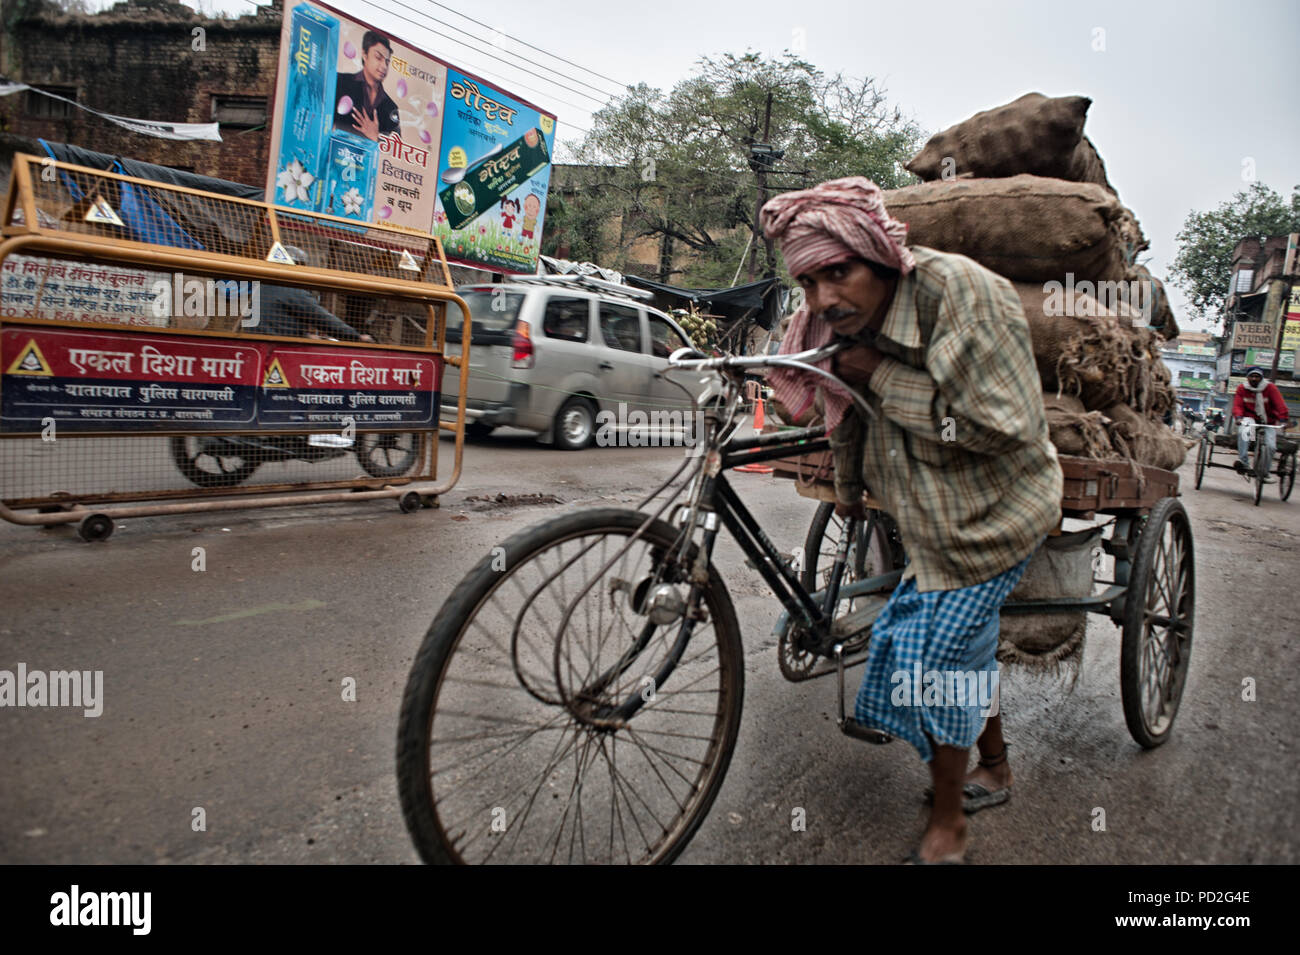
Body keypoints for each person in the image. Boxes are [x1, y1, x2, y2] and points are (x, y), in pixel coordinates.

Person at [763, 177, 1063, 864]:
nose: (823, 298)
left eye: (838, 273)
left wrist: (881, 374)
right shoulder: (830, 319)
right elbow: (842, 400)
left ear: (880, 259)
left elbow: (1002, 427)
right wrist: (845, 484)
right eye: (809, 282)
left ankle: (949, 821)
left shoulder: (962, 297)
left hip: (997, 511)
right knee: (964, 641)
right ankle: (995, 763)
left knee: (942, 655)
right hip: (921, 512)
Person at [255, 247, 375, 342]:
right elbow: (321, 318)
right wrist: (356, 336)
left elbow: (276, 323)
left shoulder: (261, 288)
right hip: (278, 349)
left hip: (256, 344)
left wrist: (304, 335)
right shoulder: (291, 290)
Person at [334, 31, 401, 141]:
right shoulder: (341, 82)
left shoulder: (391, 108)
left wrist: (375, 137)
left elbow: (394, 153)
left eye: (387, 62)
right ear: (365, 55)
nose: (384, 66)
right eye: (378, 57)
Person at [1232, 366, 1289, 479]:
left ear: (1261, 378)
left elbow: (1280, 404)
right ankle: (1244, 462)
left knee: (1271, 446)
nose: (1254, 379)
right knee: (1245, 432)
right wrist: (1238, 417)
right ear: (1247, 378)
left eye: (1257, 376)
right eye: (1251, 376)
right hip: (1250, 419)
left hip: (1268, 421)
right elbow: (1238, 405)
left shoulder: (1270, 388)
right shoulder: (1242, 388)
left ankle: (1264, 472)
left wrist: (1283, 419)